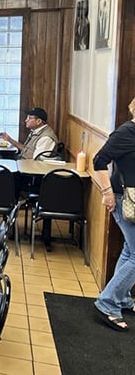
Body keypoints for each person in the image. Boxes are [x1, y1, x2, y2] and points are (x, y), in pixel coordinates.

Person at [93, 97, 135, 332]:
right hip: (123, 198)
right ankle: (108, 302)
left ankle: (122, 298)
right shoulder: (125, 133)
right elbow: (99, 161)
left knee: (130, 250)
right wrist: (107, 192)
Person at [1, 107, 59, 248]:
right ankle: (5, 214)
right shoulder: (35, 132)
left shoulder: (46, 137)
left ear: (38, 121)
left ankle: (7, 211)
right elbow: (26, 150)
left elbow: (35, 161)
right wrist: (10, 140)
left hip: (33, 177)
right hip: (23, 167)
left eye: (29, 118)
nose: (26, 120)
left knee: (5, 178)